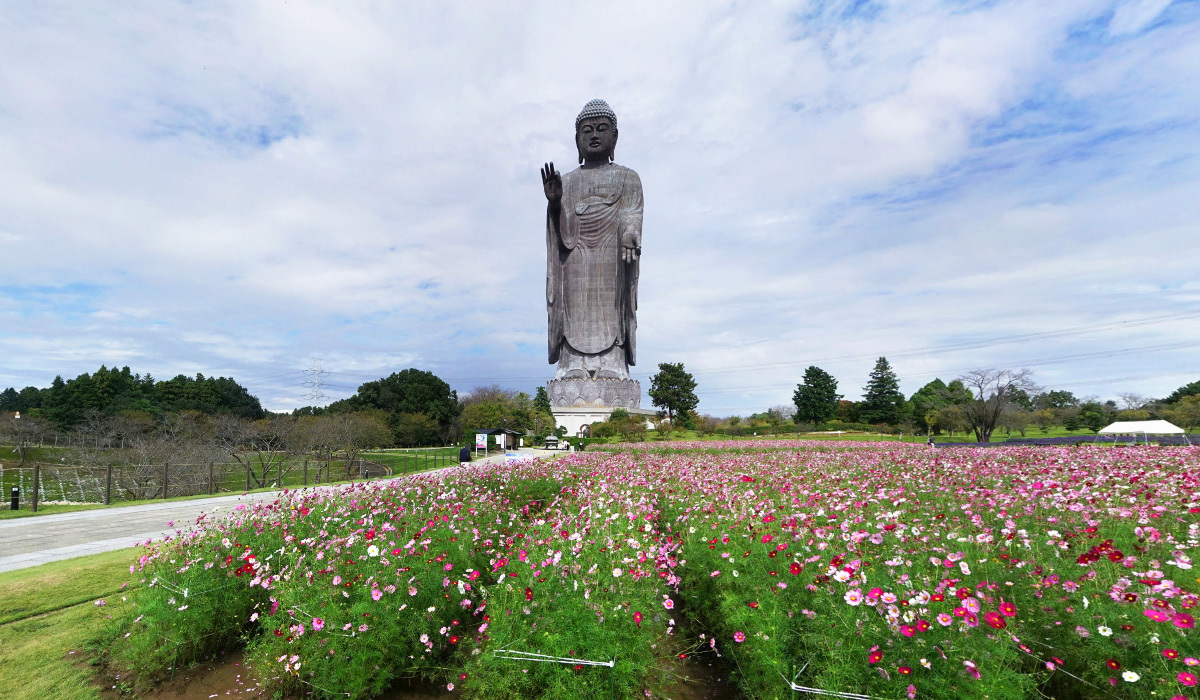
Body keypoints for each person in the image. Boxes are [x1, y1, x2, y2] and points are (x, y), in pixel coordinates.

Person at [542, 99, 643, 381]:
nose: (594, 135)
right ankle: (571, 363)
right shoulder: (569, 181)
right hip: (575, 259)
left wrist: (629, 235)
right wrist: (554, 203)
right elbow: (560, 234)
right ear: (577, 140)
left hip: (611, 257)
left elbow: (632, 214)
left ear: (615, 137)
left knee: (612, 304)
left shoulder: (628, 178)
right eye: (587, 130)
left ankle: (613, 363)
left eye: (601, 129)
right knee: (572, 305)